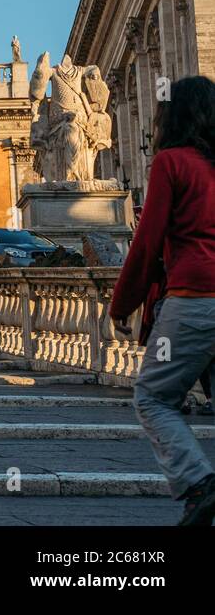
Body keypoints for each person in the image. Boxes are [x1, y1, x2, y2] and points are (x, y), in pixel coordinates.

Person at [109, 75, 215, 526]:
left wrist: (121, 304)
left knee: (153, 397)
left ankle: (198, 482)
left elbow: (147, 244)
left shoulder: (171, 163)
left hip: (194, 298)